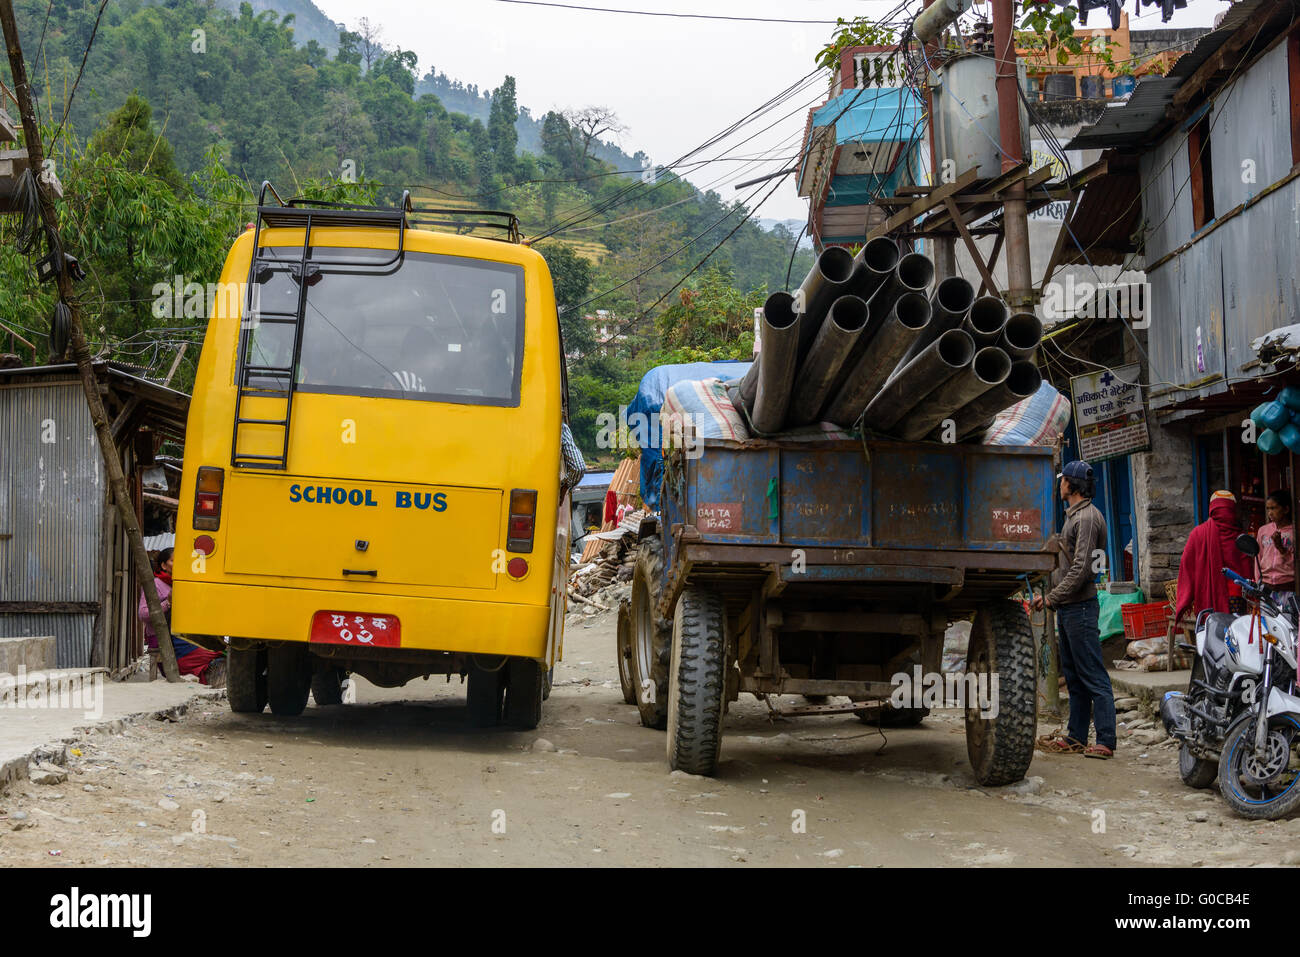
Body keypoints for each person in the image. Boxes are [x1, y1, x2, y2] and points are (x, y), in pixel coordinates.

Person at [1033, 460, 1116, 758]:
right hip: (1070, 608)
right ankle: (1076, 736)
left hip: (1080, 608)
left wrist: (1052, 597)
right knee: (1075, 677)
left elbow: (1082, 569)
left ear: (1072, 485)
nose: (1059, 486)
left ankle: (1106, 740)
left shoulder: (1087, 519)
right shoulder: (1076, 517)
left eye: (1062, 481)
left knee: (1093, 675)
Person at [139, 548, 225, 685]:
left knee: (219, 650)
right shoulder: (156, 584)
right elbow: (143, 614)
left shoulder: (182, 583)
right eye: (174, 561)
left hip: (184, 634)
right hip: (164, 638)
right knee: (208, 654)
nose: (179, 564)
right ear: (163, 565)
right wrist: (168, 603)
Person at [1174, 490, 1253, 624]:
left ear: (1212, 508)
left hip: (1206, 596)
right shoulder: (1240, 536)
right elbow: (1247, 571)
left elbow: (1187, 566)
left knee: (1211, 635)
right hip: (1236, 596)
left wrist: (1185, 597)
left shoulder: (1198, 533)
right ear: (1233, 510)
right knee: (1235, 637)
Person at [1258, 488, 1295, 607]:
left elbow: (1295, 563)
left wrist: (1281, 548)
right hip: (1267, 589)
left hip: (1289, 588)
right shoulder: (1263, 531)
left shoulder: (1294, 532)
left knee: (1288, 624)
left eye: (1274, 508)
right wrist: (1259, 582)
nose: (1270, 513)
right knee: (1267, 624)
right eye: (1268, 509)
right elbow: (1258, 559)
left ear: (1286, 509)